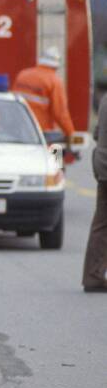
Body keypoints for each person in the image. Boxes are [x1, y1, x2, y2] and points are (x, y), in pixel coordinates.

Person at [14, 45, 77, 159]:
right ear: (56, 65)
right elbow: (60, 113)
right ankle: (59, 174)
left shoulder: (23, 75)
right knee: (56, 158)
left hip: (19, 130)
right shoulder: (54, 81)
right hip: (42, 132)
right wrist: (70, 134)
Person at [83, 91, 107, 292]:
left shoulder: (105, 98)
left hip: (51, 142)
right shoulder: (52, 80)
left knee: (101, 224)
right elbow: (61, 112)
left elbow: (97, 133)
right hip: (55, 141)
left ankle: (93, 275)